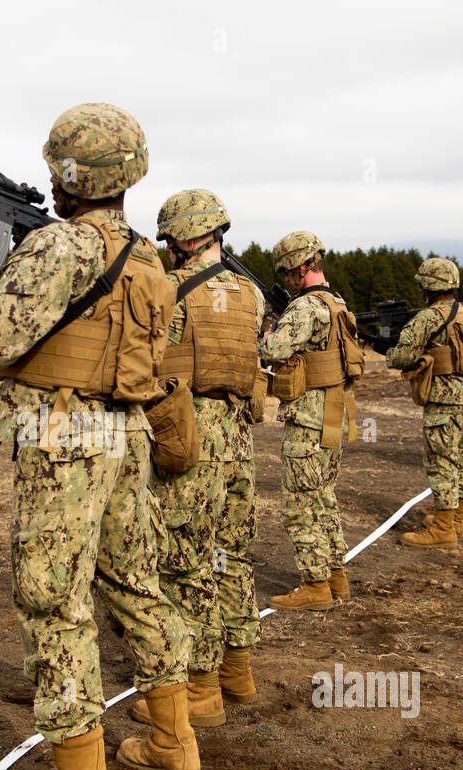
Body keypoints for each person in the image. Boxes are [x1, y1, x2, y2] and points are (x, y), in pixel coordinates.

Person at [0, 102, 198, 770]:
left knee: (52, 600)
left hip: (65, 431)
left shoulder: (60, 246)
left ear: (68, 175)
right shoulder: (150, 260)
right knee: (133, 582)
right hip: (125, 431)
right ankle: (173, 743)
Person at [129, 188, 264, 731]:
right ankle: (238, 668)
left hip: (195, 433)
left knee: (187, 560)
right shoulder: (250, 294)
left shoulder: (178, 292)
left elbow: (150, 356)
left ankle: (201, 687)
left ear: (183, 237)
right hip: (239, 437)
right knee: (231, 554)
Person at [260, 231, 358, 610]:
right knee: (324, 495)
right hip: (335, 408)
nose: (286, 279)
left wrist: (267, 331)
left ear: (300, 266)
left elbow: (273, 350)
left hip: (310, 416)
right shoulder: (337, 303)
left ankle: (315, 585)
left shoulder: (305, 308)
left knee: (300, 501)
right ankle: (336, 575)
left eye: (288, 272)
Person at [383, 257, 463, 547]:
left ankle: (443, 530)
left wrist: (389, 353)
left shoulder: (429, 318)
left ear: (428, 286)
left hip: (446, 397)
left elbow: (402, 356)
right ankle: (457, 519)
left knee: (441, 460)